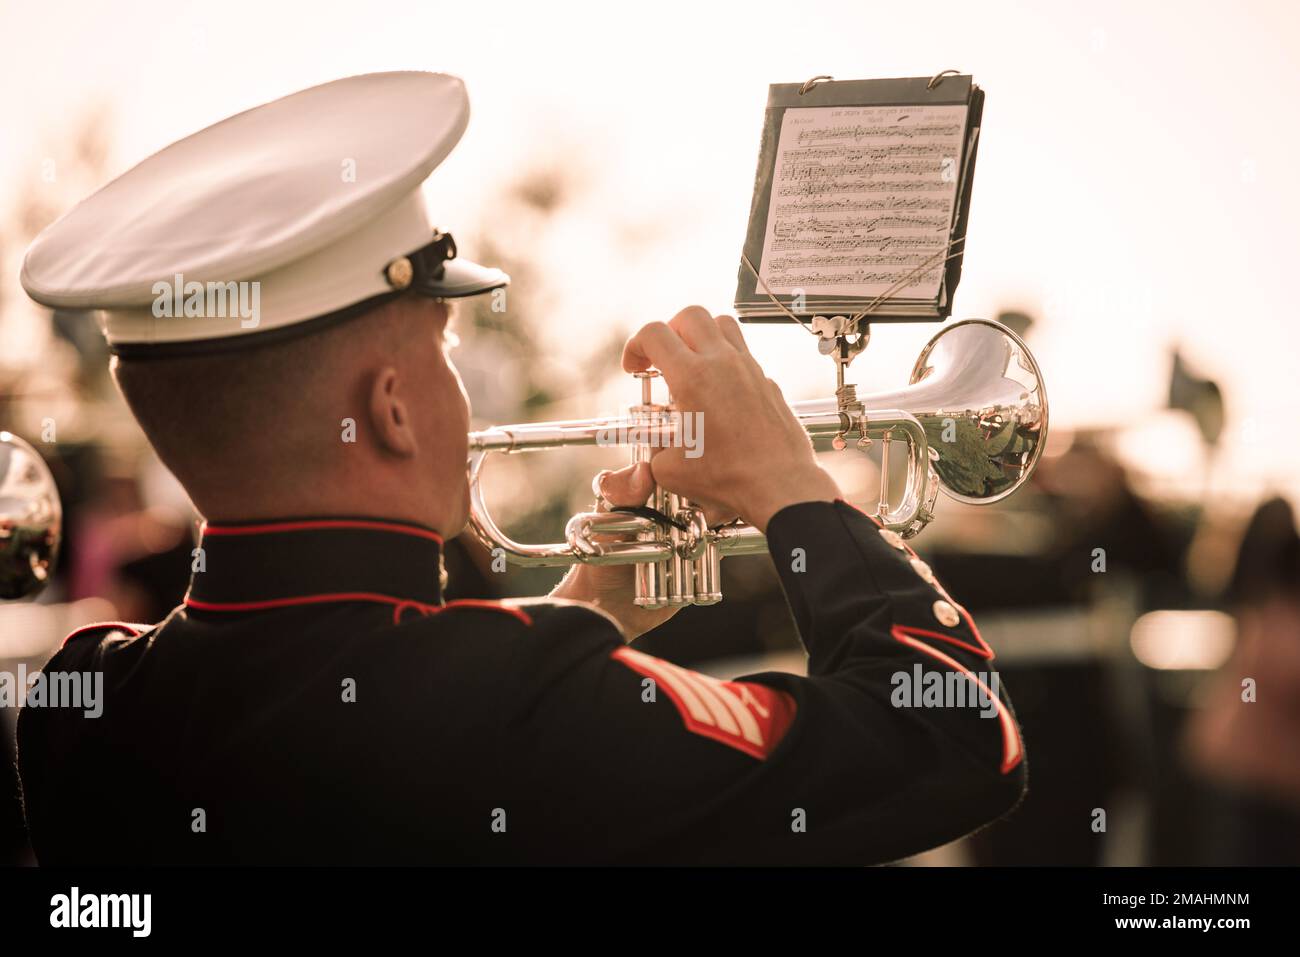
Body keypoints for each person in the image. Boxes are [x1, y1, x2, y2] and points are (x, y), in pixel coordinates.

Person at [15, 72, 1025, 865]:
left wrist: (587, 609)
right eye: (446, 353)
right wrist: (789, 490)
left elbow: (391, 699)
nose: (466, 392)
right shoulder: (511, 705)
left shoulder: (89, 705)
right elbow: (956, 736)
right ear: (393, 409)